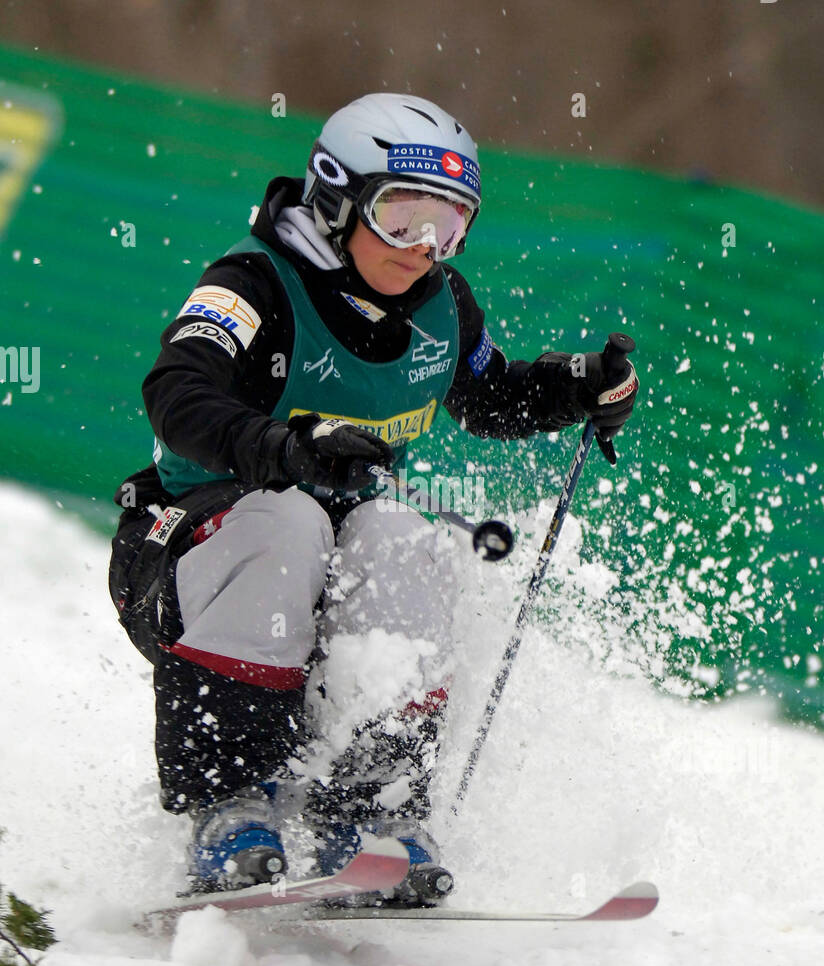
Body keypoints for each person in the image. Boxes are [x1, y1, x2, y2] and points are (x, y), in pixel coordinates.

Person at [108, 93, 638, 902]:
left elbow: (490, 395)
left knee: (402, 534)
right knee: (287, 515)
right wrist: (283, 447)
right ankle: (229, 807)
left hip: (326, 573)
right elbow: (176, 392)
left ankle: (369, 810)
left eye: (450, 225)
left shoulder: (440, 306)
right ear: (334, 196)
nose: (424, 247)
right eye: (403, 217)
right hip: (186, 557)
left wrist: (574, 387)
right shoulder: (252, 283)